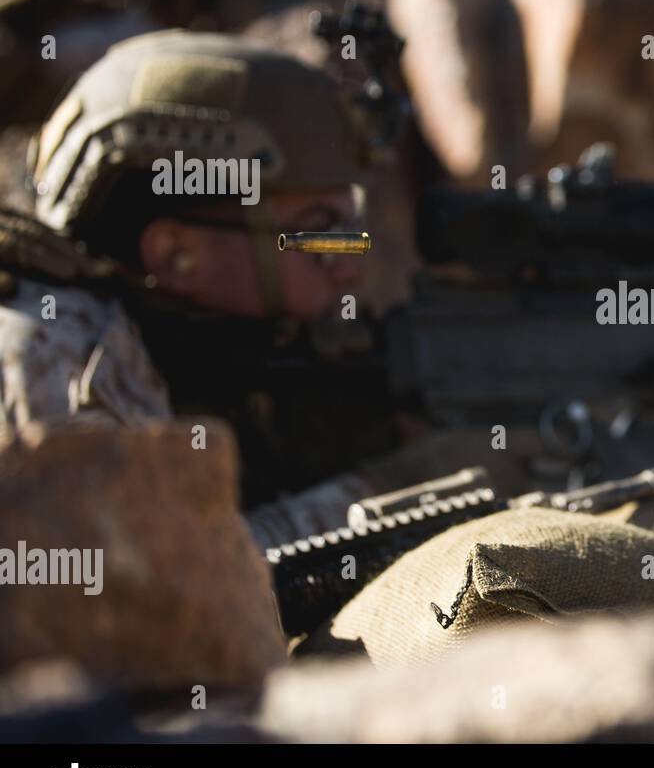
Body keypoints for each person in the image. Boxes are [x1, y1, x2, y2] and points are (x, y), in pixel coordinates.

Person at [0, 28, 408, 547]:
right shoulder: (54, 356)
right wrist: (387, 490)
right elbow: (154, 593)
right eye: (321, 228)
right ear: (178, 255)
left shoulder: (220, 341)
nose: (353, 262)